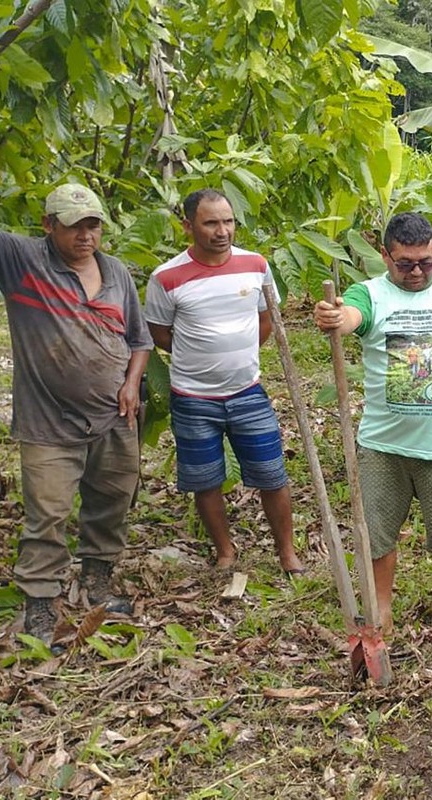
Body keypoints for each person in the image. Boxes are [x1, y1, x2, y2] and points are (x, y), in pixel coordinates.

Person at [314, 213, 432, 640]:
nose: (418, 271)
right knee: (379, 533)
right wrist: (336, 317)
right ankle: (382, 611)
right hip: (383, 444)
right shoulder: (369, 294)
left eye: (427, 262)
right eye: (405, 263)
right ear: (384, 255)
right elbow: (351, 316)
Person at [0, 183, 152, 647]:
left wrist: (133, 383)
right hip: (48, 423)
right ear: (48, 224)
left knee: (111, 502)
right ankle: (42, 605)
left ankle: (97, 582)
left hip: (115, 417)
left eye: (93, 224)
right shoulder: (23, 261)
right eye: (74, 225)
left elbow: (139, 340)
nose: (85, 235)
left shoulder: (114, 271)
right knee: (48, 516)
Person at [144, 189, 303, 574]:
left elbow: (266, 320)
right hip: (193, 397)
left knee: (272, 474)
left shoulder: (255, 265)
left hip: (248, 391)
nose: (222, 231)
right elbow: (160, 333)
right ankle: (225, 552)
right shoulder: (166, 277)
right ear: (188, 226)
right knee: (206, 479)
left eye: (228, 221)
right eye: (211, 222)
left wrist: (236, 354)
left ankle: (286, 553)